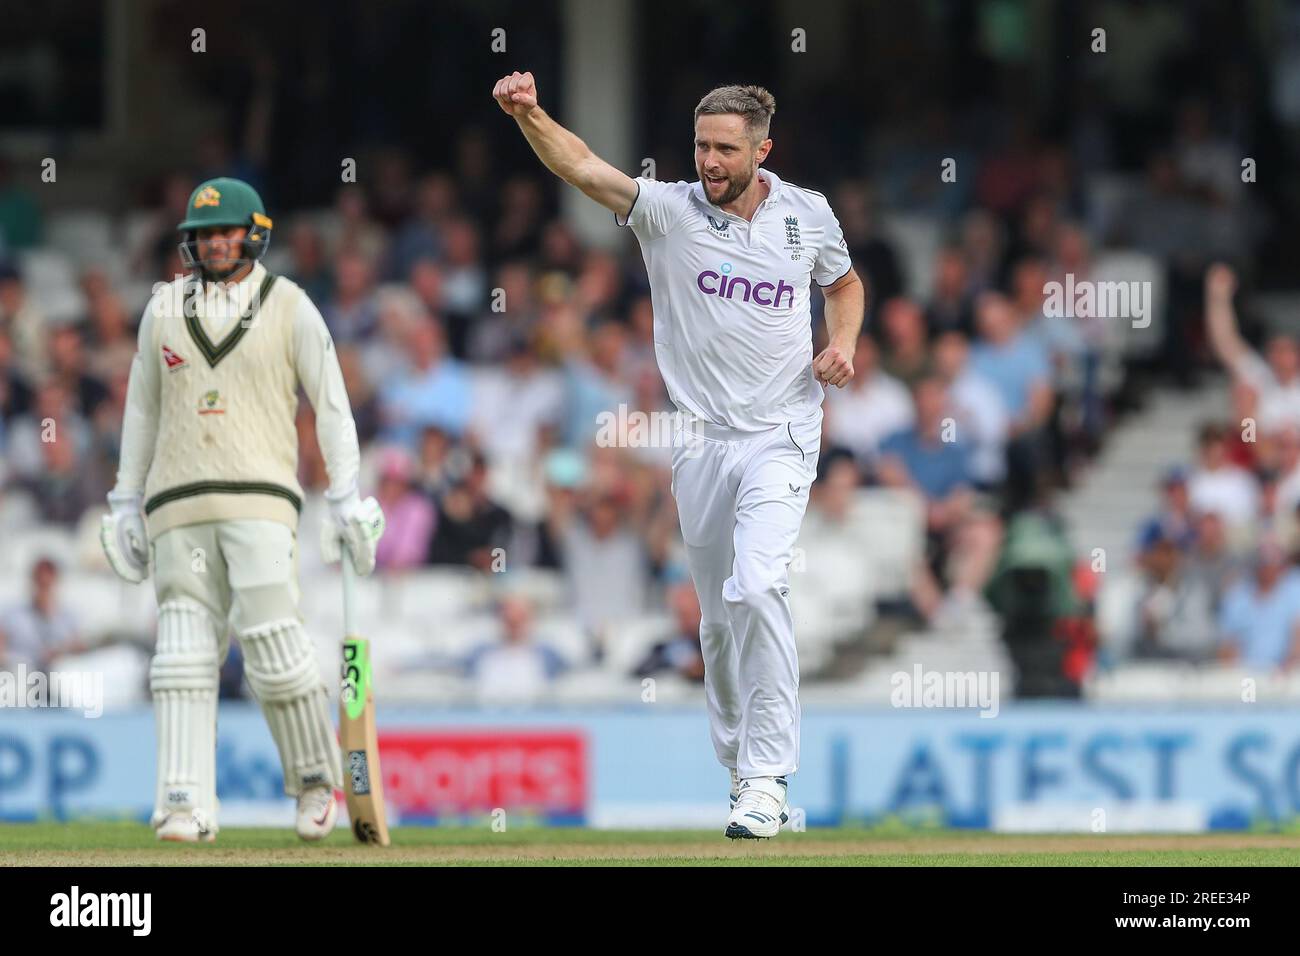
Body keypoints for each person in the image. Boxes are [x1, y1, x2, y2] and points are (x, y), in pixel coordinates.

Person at [494, 71, 863, 839]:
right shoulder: (666, 211)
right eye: (701, 146)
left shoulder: (809, 214)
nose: (710, 162)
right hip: (698, 440)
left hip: (781, 433)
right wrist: (530, 114)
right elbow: (582, 165)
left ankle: (769, 777)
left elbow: (846, 285)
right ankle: (740, 773)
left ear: (764, 149)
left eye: (727, 149)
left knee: (759, 584)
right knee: (718, 621)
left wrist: (845, 343)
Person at [99, 177, 386, 844]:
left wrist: (345, 493)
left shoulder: (290, 305)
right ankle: (184, 802)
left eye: (226, 231)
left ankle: (316, 781)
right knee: (179, 657)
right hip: (176, 504)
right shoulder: (163, 308)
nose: (215, 242)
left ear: (253, 233)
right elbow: (142, 409)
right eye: (204, 233)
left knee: (275, 651)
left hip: (261, 500)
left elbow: (332, 404)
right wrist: (123, 500)